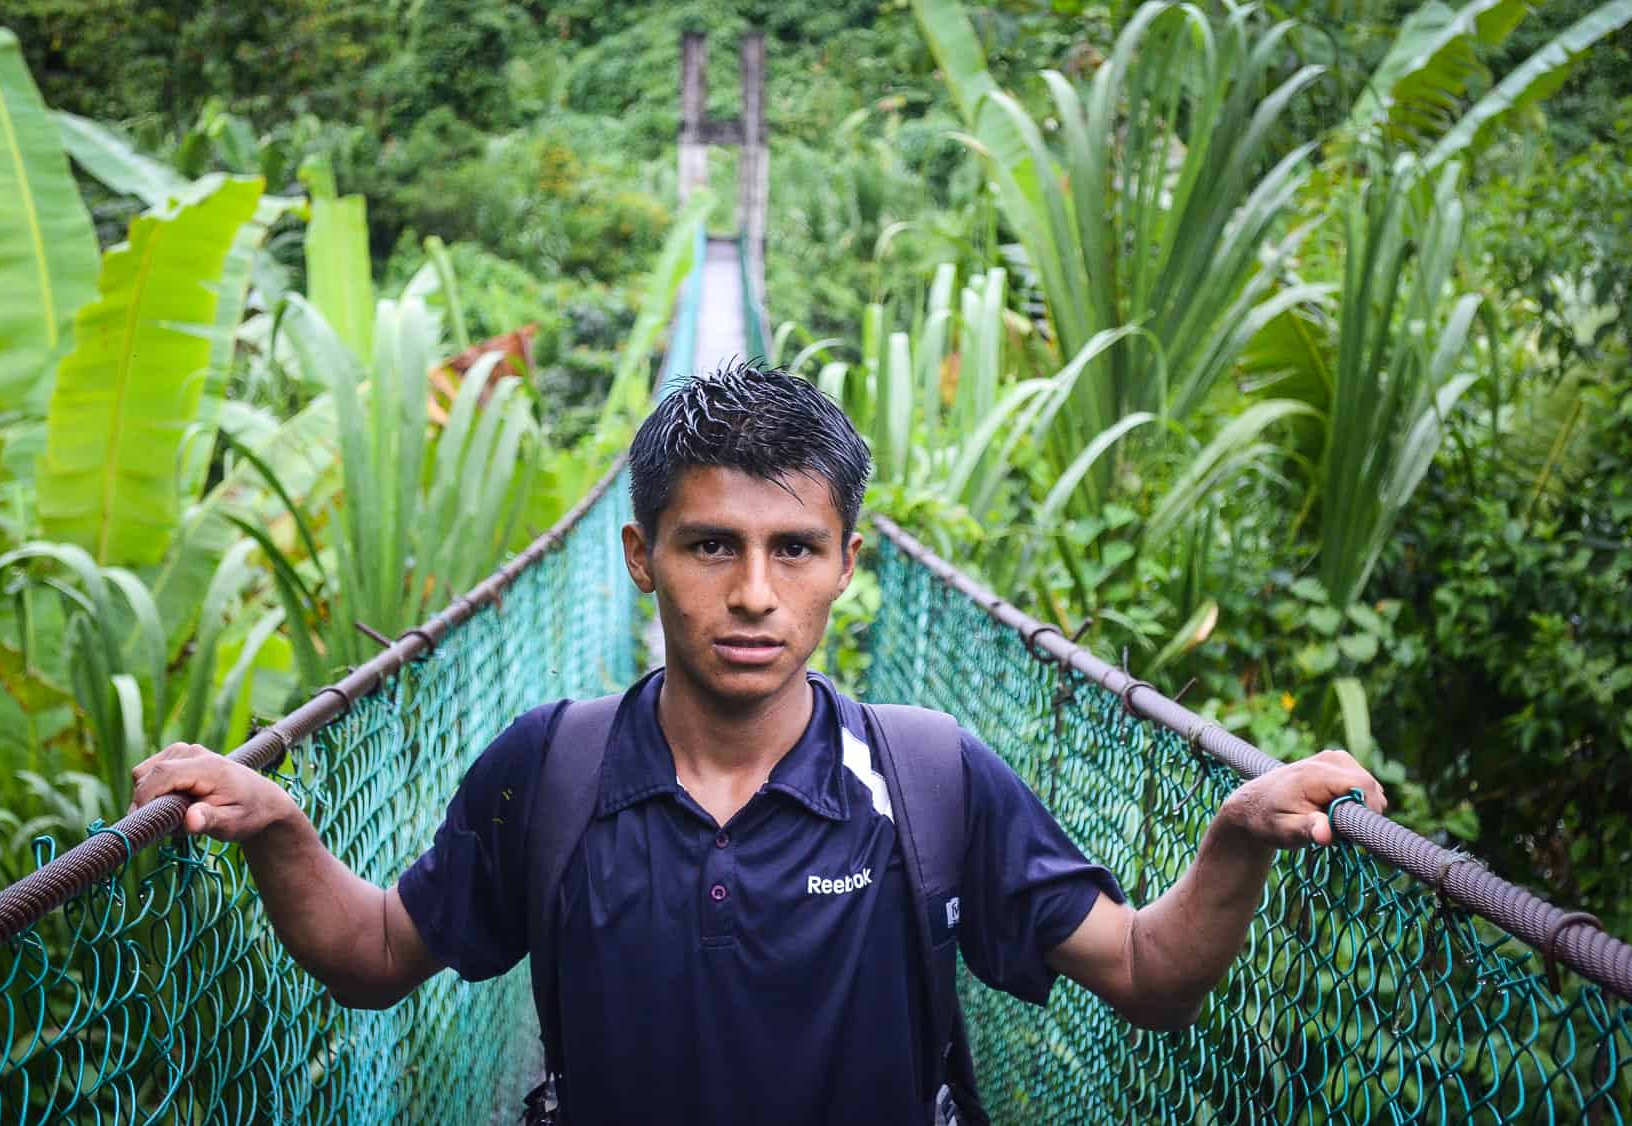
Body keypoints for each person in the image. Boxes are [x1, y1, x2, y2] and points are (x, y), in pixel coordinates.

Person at [129, 361, 1386, 1125]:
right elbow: (377, 954)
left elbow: (1150, 978)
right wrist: (281, 828)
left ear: (849, 562)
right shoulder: (549, 769)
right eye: (708, 544)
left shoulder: (929, 778)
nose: (752, 593)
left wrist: (1231, 840)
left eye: (793, 549)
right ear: (639, 559)